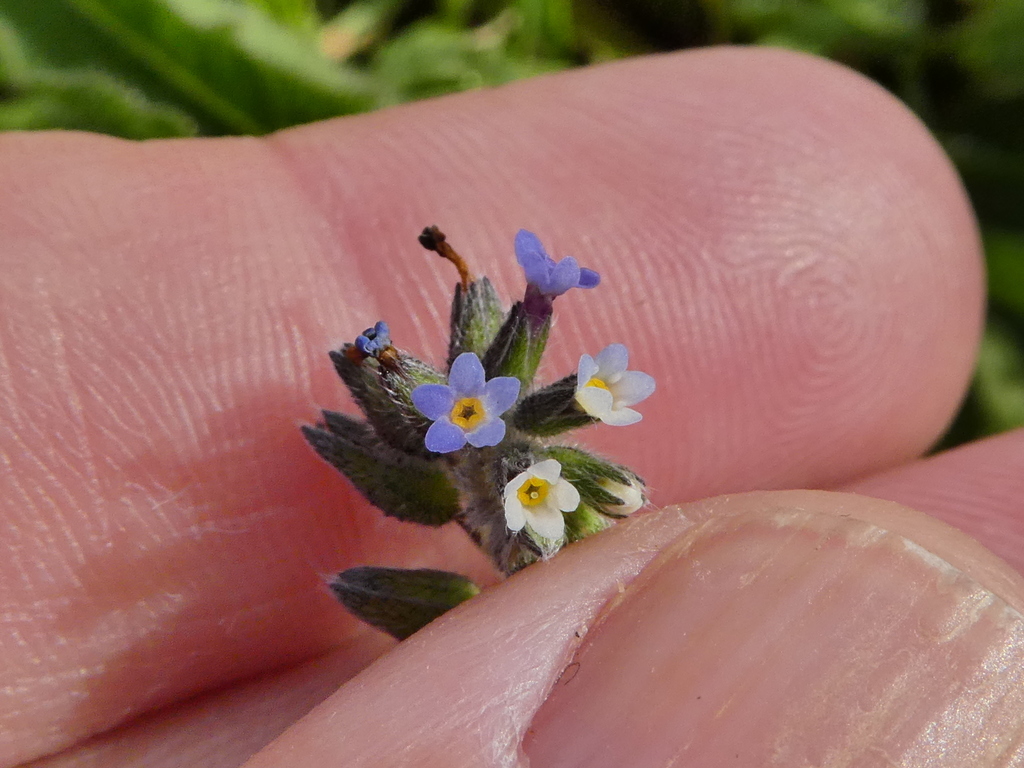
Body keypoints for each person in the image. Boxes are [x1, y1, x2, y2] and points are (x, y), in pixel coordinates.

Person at [2, 46, 1021, 767]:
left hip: (527, 440)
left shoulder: (525, 424)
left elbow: (541, 450)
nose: (488, 443)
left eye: (497, 437)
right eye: (481, 434)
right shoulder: (471, 429)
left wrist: (539, 418)